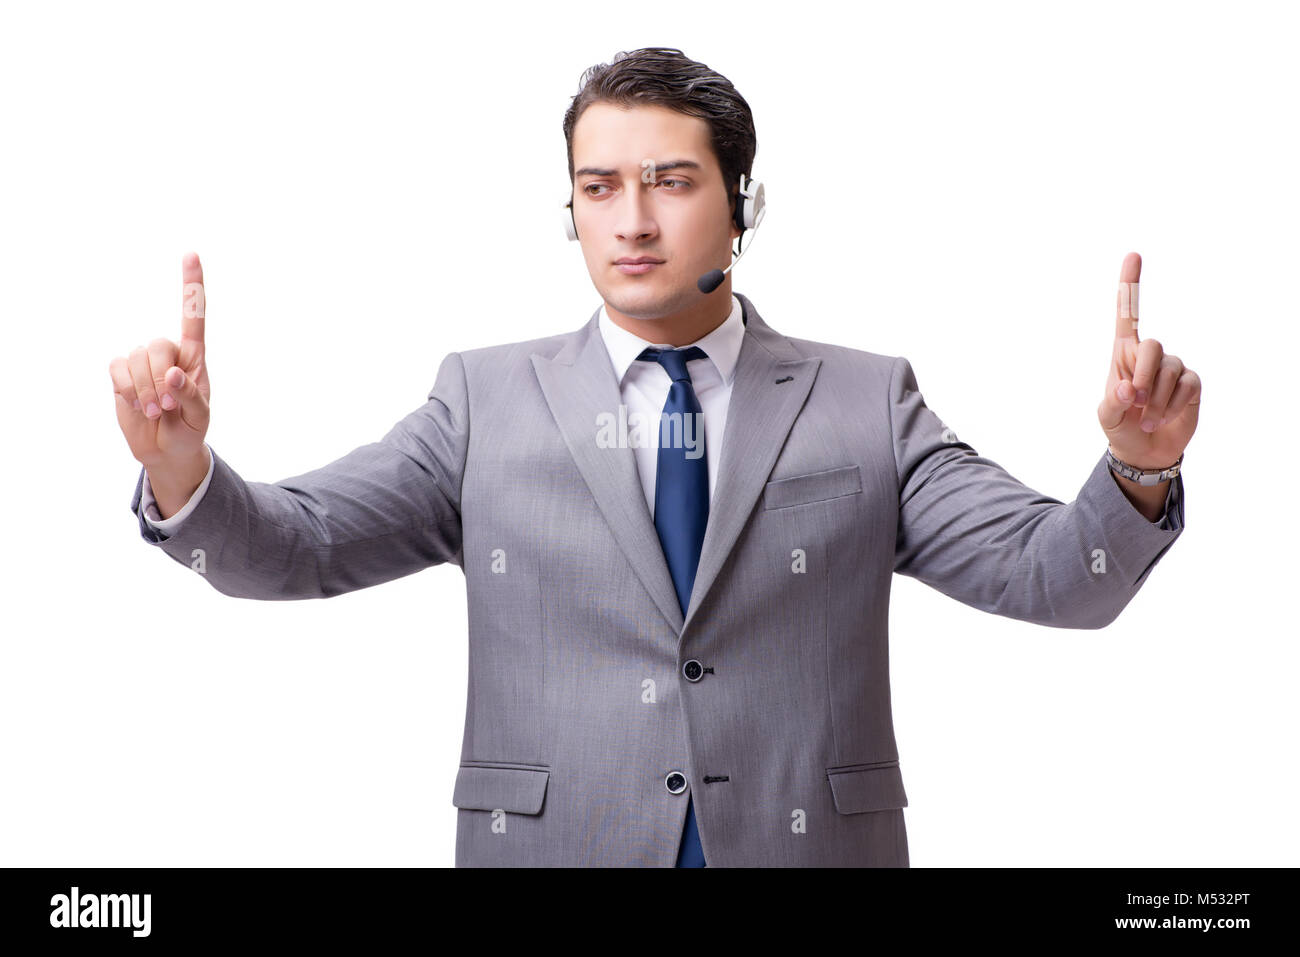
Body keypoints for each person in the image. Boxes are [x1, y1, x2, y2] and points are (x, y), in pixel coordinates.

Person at [109, 47, 1199, 867]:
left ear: (743, 207)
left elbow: (1056, 579)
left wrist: (1135, 470)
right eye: (598, 188)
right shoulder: (482, 402)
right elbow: (295, 549)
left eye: (671, 182)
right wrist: (183, 473)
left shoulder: (866, 401)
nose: (631, 222)